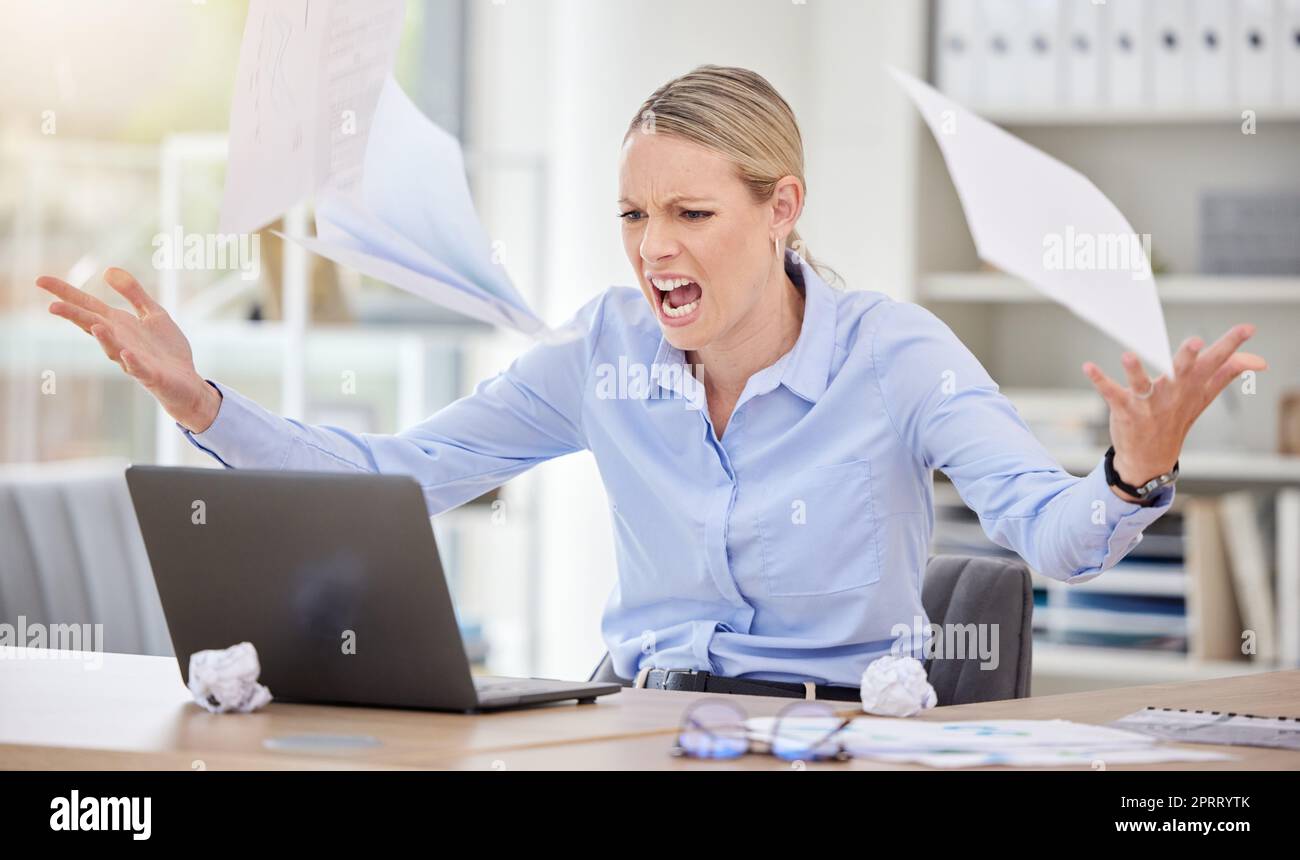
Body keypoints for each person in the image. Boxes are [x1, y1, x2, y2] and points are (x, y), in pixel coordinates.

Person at [37, 65, 1267, 701]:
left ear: (781, 208)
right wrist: (202, 403)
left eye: (689, 212)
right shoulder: (604, 351)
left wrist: (1131, 469)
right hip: (632, 720)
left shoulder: (896, 355)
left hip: (829, 734)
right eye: (632, 213)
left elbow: (1053, 538)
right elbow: (390, 481)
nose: (652, 247)